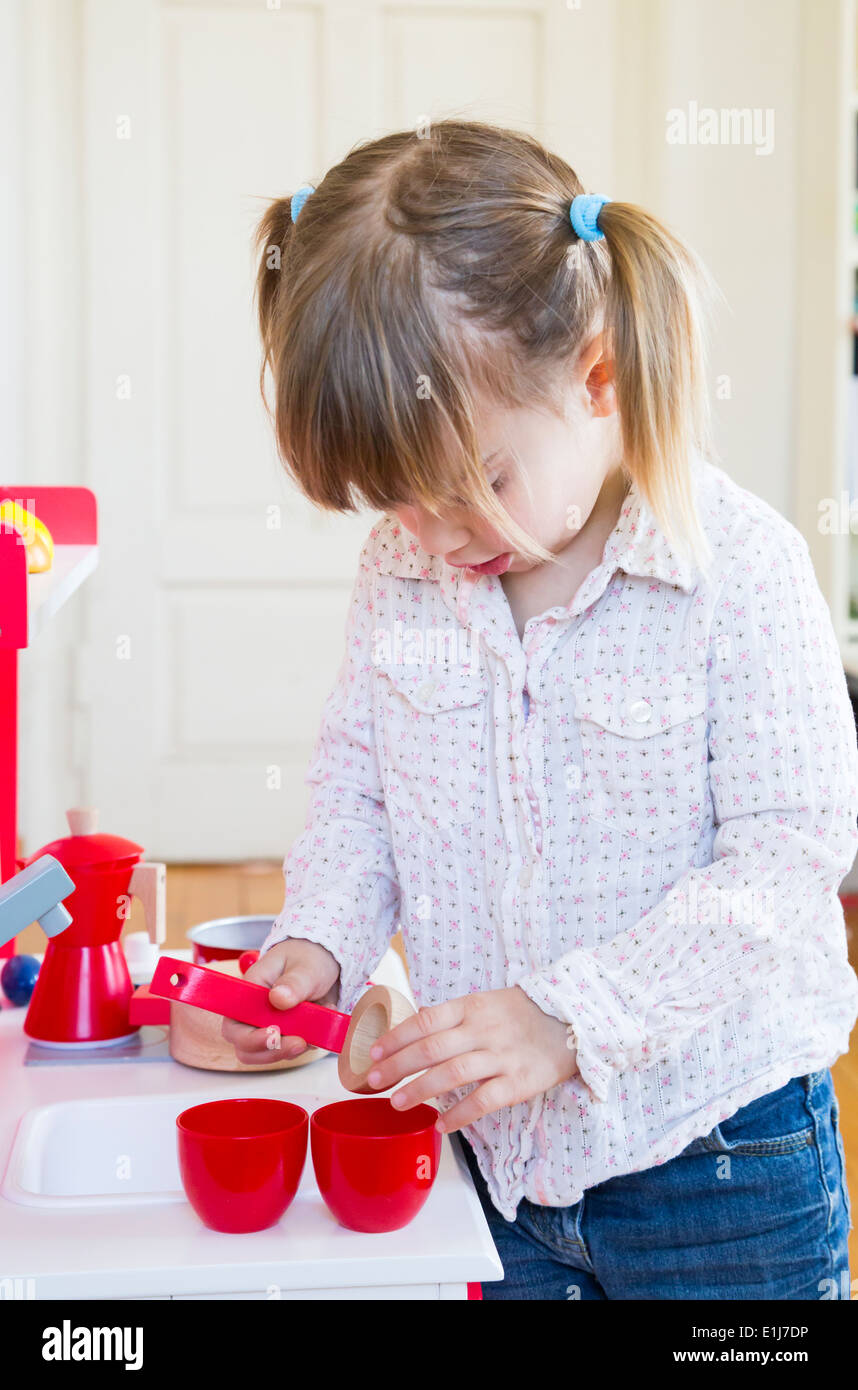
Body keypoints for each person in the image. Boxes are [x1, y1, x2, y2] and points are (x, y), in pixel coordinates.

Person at [222, 120, 857, 1299]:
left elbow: (785, 857)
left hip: (716, 1167)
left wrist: (568, 1021)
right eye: (392, 503)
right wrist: (319, 941)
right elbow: (359, 781)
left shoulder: (738, 571)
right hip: (495, 1168)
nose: (426, 535)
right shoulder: (400, 572)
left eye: (474, 488)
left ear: (597, 375)